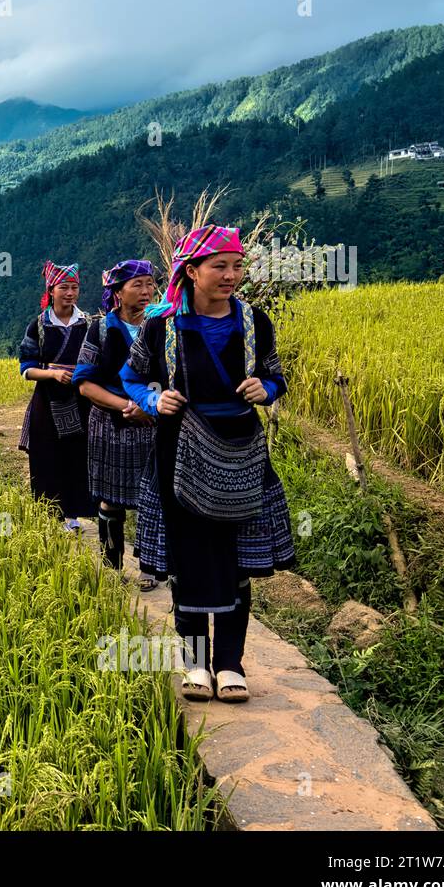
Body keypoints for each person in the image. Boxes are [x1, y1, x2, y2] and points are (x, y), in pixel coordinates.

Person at [120, 215, 295, 704]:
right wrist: (155, 401)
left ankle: (231, 664)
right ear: (191, 272)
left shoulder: (254, 322)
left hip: (241, 448)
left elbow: (275, 374)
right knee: (189, 557)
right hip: (179, 449)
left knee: (235, 556)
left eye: (237, 266)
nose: (231, 275)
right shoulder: (161, 326)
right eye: (220, 266)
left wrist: (267, 388)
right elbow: (131, 378)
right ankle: (196, 664)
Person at [73, 259, 158, 588]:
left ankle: (151, 567)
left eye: (150, 283)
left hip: (154, 423)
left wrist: (152, 407)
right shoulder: (101, 330)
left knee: (155, 496)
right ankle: (112, 566)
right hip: (112, 425)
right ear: (118, 293)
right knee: (111, 498)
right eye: (137, 285)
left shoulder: (161, 326)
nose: (146, 291)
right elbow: (85, 383)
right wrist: (126, 405)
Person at [18, 261, 97, 532]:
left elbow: (99, 360)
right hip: (47, 403)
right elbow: (26, 369)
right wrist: (52, 374)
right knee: (46, 456)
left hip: (80, 402)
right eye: (64, 287)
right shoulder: (38, 326)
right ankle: (49, 516)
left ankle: (74, 515)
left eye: (74, 287)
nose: (70, 293)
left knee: (77, 455)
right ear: (51, 290)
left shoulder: (88, 324)